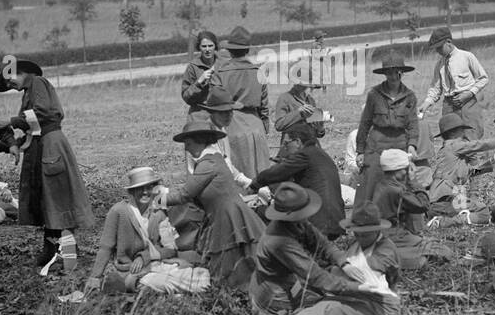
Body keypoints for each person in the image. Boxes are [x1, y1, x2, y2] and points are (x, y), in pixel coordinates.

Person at [0, 57, 95, 276]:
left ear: (23, 71)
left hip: (51, 145)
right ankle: (53, 248)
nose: (11, 87)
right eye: (7, 86)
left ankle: (64, 252)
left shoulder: (37, 83)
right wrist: (5, 146)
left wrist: (10, 121)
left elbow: (44, 114)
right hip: (42, 145)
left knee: (58, 200)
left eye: (10, 80)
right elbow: (32, 130)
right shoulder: (28, 91)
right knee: (49, 201)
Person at [248, 183, 385, 315]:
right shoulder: (279, 241)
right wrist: (357, 288)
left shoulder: (298, 223)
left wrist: (344, 263)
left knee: (338, 294)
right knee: (335, 312)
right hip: (275, 296)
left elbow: (323, 245)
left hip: (291, 285)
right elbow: (315, 276)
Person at [158, 111, 265, 286]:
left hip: (229, 216)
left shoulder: (208, 164)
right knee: (238, 260)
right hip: (227, 214)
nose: (186, 148)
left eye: (188, 143)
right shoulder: (213, 159)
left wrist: (158, 200)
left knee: (231, 261)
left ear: (200, 142)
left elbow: (185, 194)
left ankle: (236, 296)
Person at [86, 167, 208, 295]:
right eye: (140, 188)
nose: (145, 192)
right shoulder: (118, 211)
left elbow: (170, 249)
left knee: (202, 276)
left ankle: (173, 295)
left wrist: (145, 257)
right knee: (167, 283)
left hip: (156, 265)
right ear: (132, 191)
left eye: (149, 188)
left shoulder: (158, 213)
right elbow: (106, 247)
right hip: (131, 272)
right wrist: (94, 278)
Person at [250, 122, 346, 239]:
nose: (284, 148)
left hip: (318, 222)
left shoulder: (305, 154)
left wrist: (254, 184)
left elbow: (278, 172)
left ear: (298, 142)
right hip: (335, 221)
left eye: (286, 143)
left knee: (259, 213)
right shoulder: (320, 155)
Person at [356, 48, 420, 201]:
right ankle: (366, 216)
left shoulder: (410, 96)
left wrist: (412, 145)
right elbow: (365, 123)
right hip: (377, 143)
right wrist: (360, 151)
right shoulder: (374, 94)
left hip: (399, 142)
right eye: (389, 73)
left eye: (396, 72)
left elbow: (413, 123)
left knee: (402, 181)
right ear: (385, 74)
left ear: (401, 73)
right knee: (371, 178)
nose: (393, 76)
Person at [213, 26, 270, 179]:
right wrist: (265, 126)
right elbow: (264, 106)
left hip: (232, 125)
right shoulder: (258, 72)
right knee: (261, 174)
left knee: (238, 176)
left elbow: (214, 102)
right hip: (256, 125)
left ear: (230, 51)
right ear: (247, 50)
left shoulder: (221, 73)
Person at [419, 27, 489, 136]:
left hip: (468, 103)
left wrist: (469, 93)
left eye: (439, 47)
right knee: (450, 136)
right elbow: (435, 89)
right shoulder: (439, 65)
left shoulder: (467, 57)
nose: (437, 51)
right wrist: (426, 104)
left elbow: (483, 78)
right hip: (449, 105)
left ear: (448, 42)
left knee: (472, 134)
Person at [369, 148, 429, 270]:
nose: (407, 172)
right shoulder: (396, 190)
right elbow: (423, 205)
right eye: (405, 169)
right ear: (398, 171)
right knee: (439, 250)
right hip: (393, 235)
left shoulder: (381, 184)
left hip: (380, 234)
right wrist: (414, 181)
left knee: (424, 245)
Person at [272, 64, 322, 139]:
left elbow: (319, 133)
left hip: (310, 144)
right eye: (301, 84)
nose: (303, 87)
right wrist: (299, 112)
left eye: (305, 85)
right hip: (292, 144)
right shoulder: (284, 98)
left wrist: (320, 126)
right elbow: (279, 125)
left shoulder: (310, 100)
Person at [181, 29, 221, 112]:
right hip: (200, 112)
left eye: (210, 46)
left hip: (221, 111)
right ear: (199, 47)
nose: (207, 49)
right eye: (204, 46)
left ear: (215, 46)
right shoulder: (192, 67)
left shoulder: (223, 64)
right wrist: (198, 82)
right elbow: (186, 97)